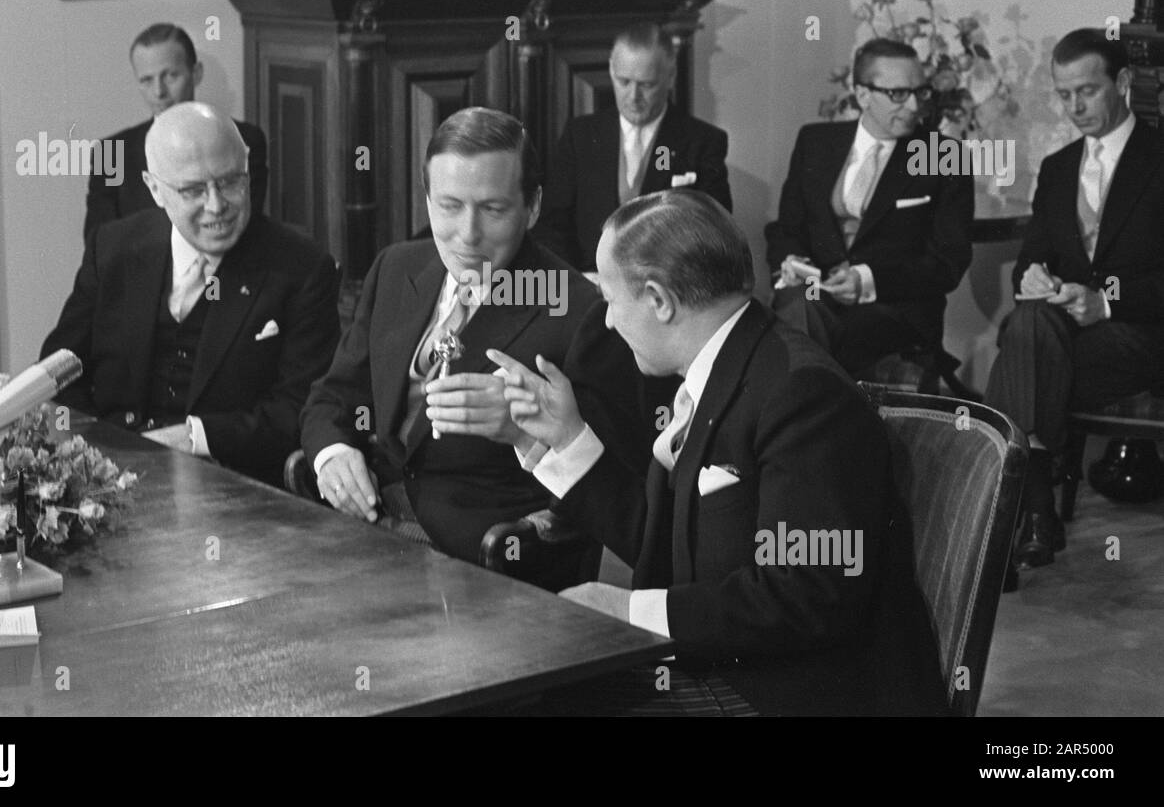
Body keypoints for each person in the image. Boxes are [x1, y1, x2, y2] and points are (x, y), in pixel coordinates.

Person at [492, 190, 945, 716]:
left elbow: (808, 594)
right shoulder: (728, 364)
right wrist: (566, 438)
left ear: (659, 300)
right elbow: (670, 544)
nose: (609, 322)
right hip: (738, 671)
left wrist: (629, 611)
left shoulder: (802, 395)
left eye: (611, 300)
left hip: (787, 696)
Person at [300, 107, 645, 583]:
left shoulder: (580, 311)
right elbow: (333, 397)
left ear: (533, 207)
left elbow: (614, 496)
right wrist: (333, 454)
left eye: (492, 209)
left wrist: (527, 432)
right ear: (427, 200)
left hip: (482, 560)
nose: (467, 234)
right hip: (361, 528)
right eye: (449, 206)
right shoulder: (396, 267)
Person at [42, 102, 340, 487]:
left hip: (231, 484)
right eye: (194, 190)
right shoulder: (114, 248)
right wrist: (97, 452)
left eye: (230, 182)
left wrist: (194, 437)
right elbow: (60, 370)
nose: (216, 206)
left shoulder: (302, 268)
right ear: (155, 189)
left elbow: (299, 409)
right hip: (106, 476)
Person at [985, 28, 1164, 571]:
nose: (1074, 107)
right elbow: (1030, 261)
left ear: (1123, 81)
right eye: (1064, 95)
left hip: (1139, 336)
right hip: (1061, 332)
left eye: (1087, 91)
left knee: (1022, 350)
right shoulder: (1058, 167)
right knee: (1030, 324)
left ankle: (1024, 511)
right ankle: (1036, 513)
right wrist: (1035, 279)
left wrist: (1106, 302)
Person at [765, 38, 973, 376]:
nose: (913, 106)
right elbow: (786, 229)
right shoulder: (816, 142)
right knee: (799, 306)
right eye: (898, 94)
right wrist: (791, 262)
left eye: (919, 92)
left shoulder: (942, 155)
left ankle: (804, 404)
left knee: (797, 324)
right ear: (863, 95)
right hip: (815, 294)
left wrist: (866, 280)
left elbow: (948, 262)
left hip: (894, 308)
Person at [535, 23, 732, 273]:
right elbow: (551, 226)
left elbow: (715, 234)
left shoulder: (703, 142)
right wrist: (578, 281)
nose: (633, 96)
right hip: (589, 283)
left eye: (646, 85)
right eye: (624, 82)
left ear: (670, 77)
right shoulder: (580, 136)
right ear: (611, 70)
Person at [83, 23, 268, 240]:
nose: (159, 92)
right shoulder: (110, 152)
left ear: (196, 73)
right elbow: (98, 241)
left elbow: (244, 228)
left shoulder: (244, 140)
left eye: (170, 76)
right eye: (147, 80)